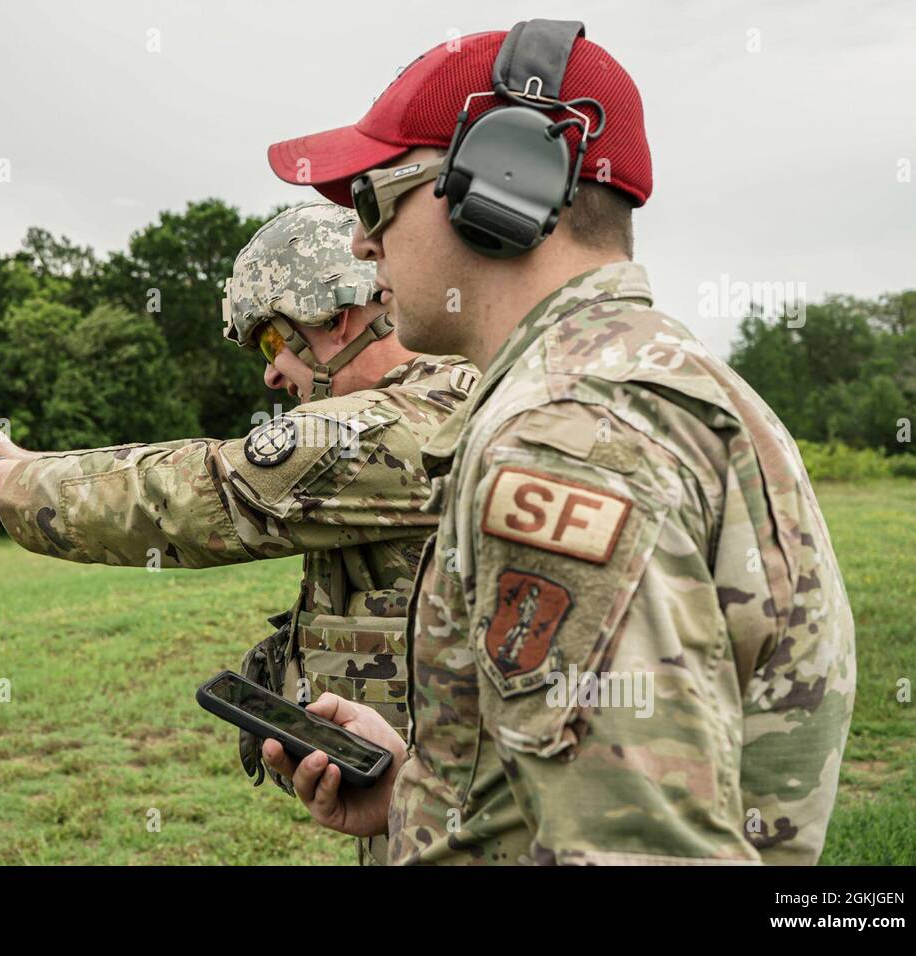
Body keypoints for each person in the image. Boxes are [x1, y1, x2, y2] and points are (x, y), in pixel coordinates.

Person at [260, 21, 856, 865]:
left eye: (373, 197)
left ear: (500, 181)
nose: (361, 242)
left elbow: (641, 849)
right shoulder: (665, 383)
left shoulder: (562, 440)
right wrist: (433, 793)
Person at [0, 200, 478, 864]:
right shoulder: (449, 394)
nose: (268, 372)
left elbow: (191, 496)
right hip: (433, 802)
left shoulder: (386, 427)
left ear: (334, 317)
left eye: (269, 341)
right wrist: (22, 465)